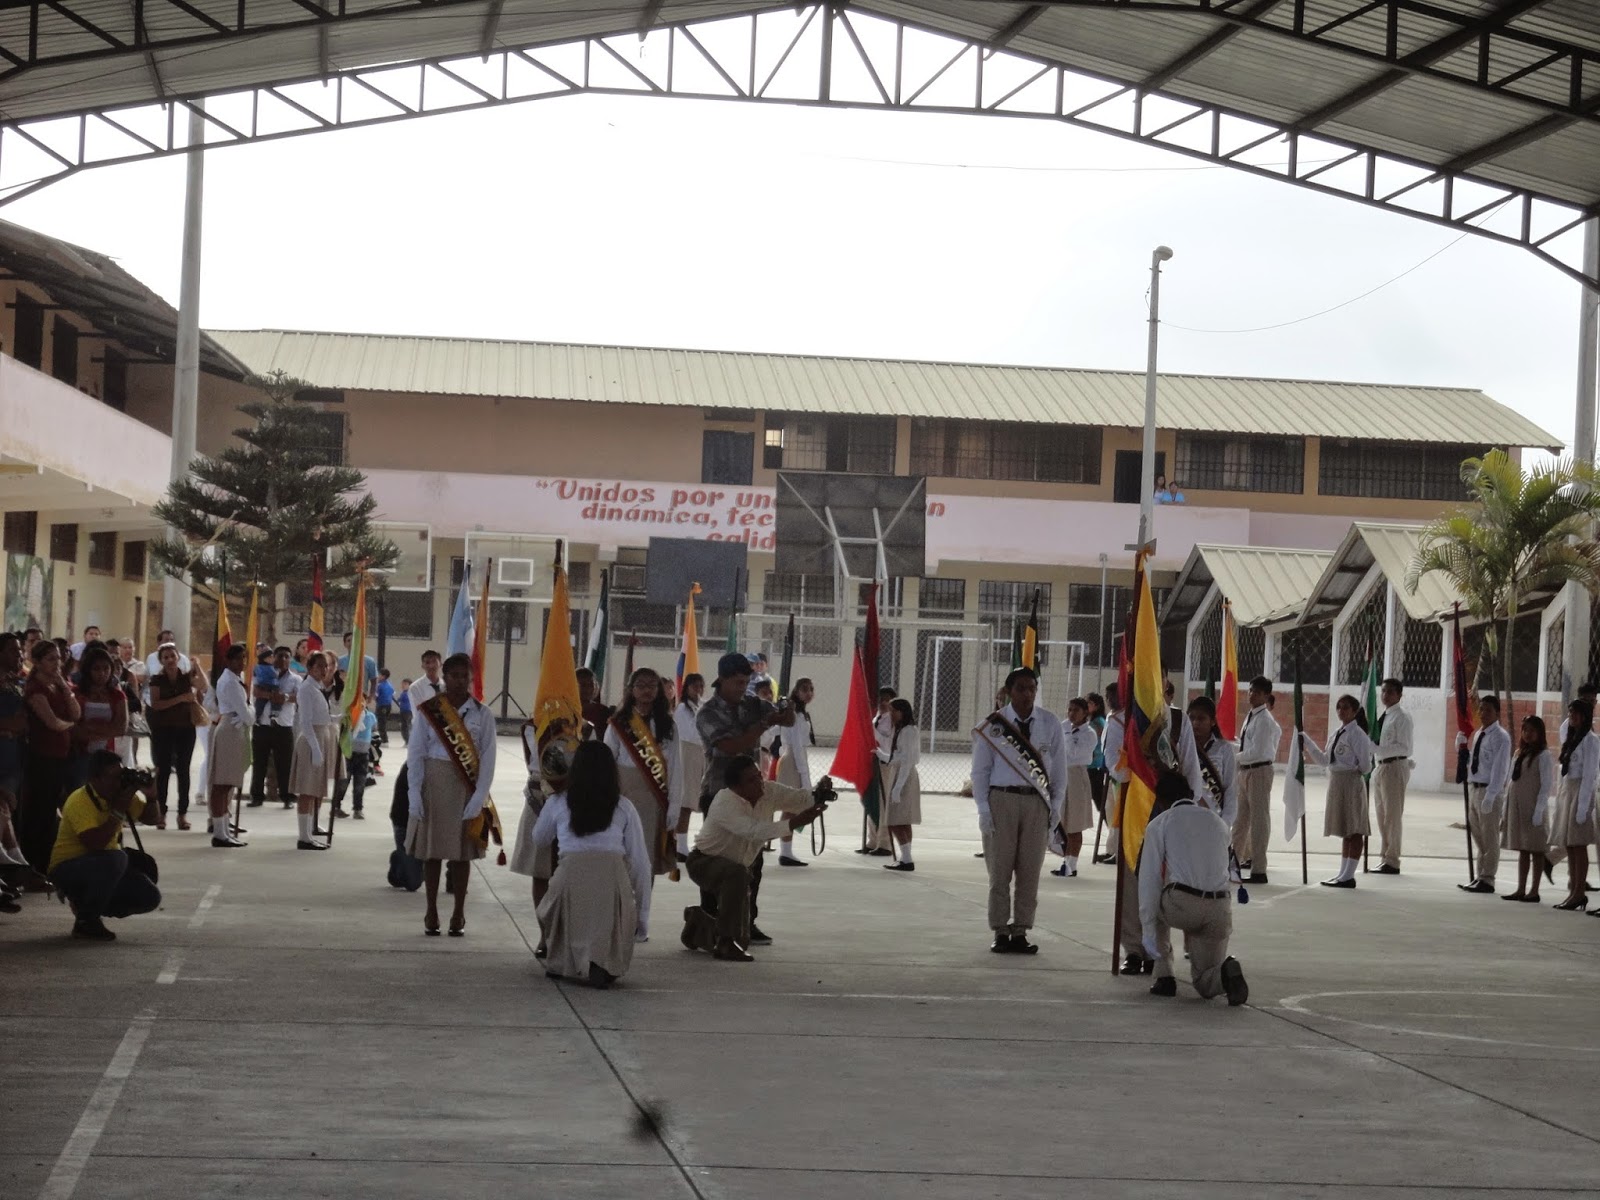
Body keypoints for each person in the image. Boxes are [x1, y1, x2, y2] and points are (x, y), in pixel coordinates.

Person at [681, 755, 825, 961]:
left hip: (738, 867)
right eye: (751, 780)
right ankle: (724, 942)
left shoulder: (769, 791)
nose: (759, 782)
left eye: (758, 776)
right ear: (736, 787)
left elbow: (799, 798)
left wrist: (820, 793)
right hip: (704, 862)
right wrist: (792, 824)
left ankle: (699, 922)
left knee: (743, 939)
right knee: (737, 874)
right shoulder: (724, 802)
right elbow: (753, 831)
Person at [533, 741, 653, 987]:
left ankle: (562, 959)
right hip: (611, 880)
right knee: (610, 913)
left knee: (555, 905)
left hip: (569, 878)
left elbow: (539, 839)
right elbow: (641, 864)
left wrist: (544, 803)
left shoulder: (558, 803)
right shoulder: (624, 807)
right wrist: (641, 916)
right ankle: (602, 961)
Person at [695, 652, 795, 946]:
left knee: (752, 861)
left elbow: (787, 719)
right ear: (722, 680)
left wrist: (785, 708)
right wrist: (764, 724)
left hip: (751, 795)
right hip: (719, 794)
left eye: (746, 682)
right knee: (717, 861)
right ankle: (711, 922)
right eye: (738, 682)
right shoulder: (708, 712)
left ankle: (746, 923)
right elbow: (731, 746)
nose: (743, 688)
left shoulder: (753, 704)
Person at [970, 667, 1067, 954]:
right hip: (1002, 800)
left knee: (1029, 871)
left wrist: (1056, 807)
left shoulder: (1050, 723)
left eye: (1032, 688)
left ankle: (1021, 929)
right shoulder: (994, 727)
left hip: (1037, 803)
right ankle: (1000, 929)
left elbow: (1059, 772)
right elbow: (980, 772)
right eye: (1022, 688)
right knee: (999, 871)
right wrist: (983, 810)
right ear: (1009, 691)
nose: (1028, 694)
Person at [405, 652, 496, 936]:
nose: (459, 681)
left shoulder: (483, 713)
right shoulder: (430, 710)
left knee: (460, 854)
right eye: (454, 675)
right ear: (445, 677)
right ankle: (431, 909)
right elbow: (416, 752)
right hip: (433, 782)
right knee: (432, 852)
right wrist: (414, 792)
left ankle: (458, 912)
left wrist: (480, 795)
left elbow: (489, 756)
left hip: (465, 786)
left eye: (464, 676)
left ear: (471, 678)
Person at [1138, 784, 1248, 1005]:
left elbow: (1149, 879)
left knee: (1154, 904)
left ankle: (1164, 977)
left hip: (1183, 905)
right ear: (1192, 796)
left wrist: (1147, 929)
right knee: (1204, 983)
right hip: (1219, 908)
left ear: (1160, 802)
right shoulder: (1217, 821)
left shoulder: (1161, 822)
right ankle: (1224, 974)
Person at [47, 751, 161, 940]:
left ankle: (86, 907)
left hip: (103, 865)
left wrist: (151, 797)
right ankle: (86, 920)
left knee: (149, 897)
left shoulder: (120, 794)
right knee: (117, 858)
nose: (119, 783)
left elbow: (152, 819)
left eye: (121, 776)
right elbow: (96, 843)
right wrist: (119, 809)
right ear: (95, 779)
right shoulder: (79, 801)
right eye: (114, 778)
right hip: (67, 868)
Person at [602, 666, 684, 888]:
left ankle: (641, 916)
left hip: (654, 799)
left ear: (659, 690)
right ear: (631, 690)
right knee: (621, 856)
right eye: (641, 685)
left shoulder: (669, 726)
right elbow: (606, 762)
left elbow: (676, 768)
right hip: (623, 796)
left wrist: (674, 807)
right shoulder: (619, 724)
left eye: (652, 685)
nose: (646, 690)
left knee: (645, 858)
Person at [1301, 694, 1374, 889]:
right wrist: (1307, 741)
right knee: (1344, 829)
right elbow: (1325, 760)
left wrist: (1352, 772)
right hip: (1336, 782)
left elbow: (1366, 766)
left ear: (1354, 711)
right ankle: (1343, 873)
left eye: (1346, 707)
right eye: (1339, 707)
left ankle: (1349, 875)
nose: (1341, 711)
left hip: (1350, 782)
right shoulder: (1337, 733)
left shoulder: (1358, 735)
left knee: (1355, 829)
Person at [20, 638, 81, 869]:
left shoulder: (59, 683)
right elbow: (53, 722)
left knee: (52, 808)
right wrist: (71, 727)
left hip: (60, 754)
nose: (57, 663)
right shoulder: (35, 687)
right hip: (42, 754)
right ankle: (36, 862)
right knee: (41, 810)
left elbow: (75, 713)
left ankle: (48, 860)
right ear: (37, 662)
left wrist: (64, 686)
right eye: (51, 659)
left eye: (59, 658)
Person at [1458, 694, 1513, 896]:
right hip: (1475, 787)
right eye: (1481, 709)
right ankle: (1480, 874)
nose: (1483, 713)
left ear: (1497, 713)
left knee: (1489, 837)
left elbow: (1500, 769)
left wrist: (1492, 794)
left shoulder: (1501, 737)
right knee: (1478, 835)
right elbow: (1474, 762)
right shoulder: (1479, 733)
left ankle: (1488, 878)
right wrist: (1461, 748)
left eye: (1488, 709)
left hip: (1489, 790)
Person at [1549, 698, 1598, 911]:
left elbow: (1589, 775)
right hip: (1568, 789)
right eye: (1571, 713)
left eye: (1577, 713)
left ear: (1586, 716)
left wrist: (1583, 807)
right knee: (1569, 843)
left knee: (1579, 844)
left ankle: (1579, 892)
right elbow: (1563, 727)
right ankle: (1573, 892)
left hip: (1580, 791)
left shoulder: (1590, 740)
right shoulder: (1571, 737)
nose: (1573, 717)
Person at [145, 644, 201, 830]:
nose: (170, 660)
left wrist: (197, 666)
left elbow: (203, 686)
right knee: (163, 771)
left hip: (186, 729)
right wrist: (181, 698)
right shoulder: (157, 679)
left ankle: (182, 814)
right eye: (166, 657)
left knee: (184, 770)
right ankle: (161, 813)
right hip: (164, 729)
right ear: (161, 660)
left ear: (178, 658)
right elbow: (156, 704)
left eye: (172, 656)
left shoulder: (186, 677)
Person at [289, 651, 339, 850]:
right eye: (319, 666)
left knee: (313, 790)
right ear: (310, 668)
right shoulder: (307, 689)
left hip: (320, 735)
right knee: (307, 791)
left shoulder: (316, 688)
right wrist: (315, 749)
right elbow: (306, 722)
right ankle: (303, 836)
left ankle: (309, 833)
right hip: (311, 740)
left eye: (325, 666)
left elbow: (322, 717)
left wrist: (341, 718)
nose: (323, 670)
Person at [1502, 715, 1555, 904]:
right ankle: (1521, 888)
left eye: (1532, 730)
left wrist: (1539, 810)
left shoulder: (1544, 756)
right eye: (1525, 730)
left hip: (1533, 808)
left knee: (1536, 850)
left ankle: (1534, 890)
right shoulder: (1519, 753)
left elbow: (1546, 784)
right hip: (1518, 807)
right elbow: (1511, 780)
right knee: (1523, 849)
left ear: (1540, 733)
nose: (1528, 734)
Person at [1232, 676, 1280, 885]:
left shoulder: (1265, 720)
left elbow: (1257, 751)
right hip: (1245, 771)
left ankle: (1259, 868)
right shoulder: (1251, 716)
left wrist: (1235, 756)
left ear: (1266, 696)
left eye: (1257, 693)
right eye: (1251, 691)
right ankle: (1232, 864)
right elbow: (1246, 746)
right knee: (1240, 821)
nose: (1252, 695)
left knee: (1259, 821)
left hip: (1259, 770)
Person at [206, 643, 250, 849]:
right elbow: (248, 715)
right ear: (229, 660)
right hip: (230, 728)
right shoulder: (231, 682)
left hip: (234, 728)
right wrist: (250, 713)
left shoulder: (235, 680)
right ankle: (219, 832)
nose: (242, 662)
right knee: (222, 784)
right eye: (238, 658)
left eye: (244, 658)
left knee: (227, 784)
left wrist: (248, 713)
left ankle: (223, 831)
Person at [1371, 678, 1414, 876]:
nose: (1385, 695)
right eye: (1383, 691)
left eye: (1389, 692)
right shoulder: (1385, 716)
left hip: (1395, 766)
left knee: (1392, 816)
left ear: (1398, 695)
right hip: (1381, 766)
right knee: (1381, 815)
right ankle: (1385, 856)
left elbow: (1405, 747)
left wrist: (1378, 749)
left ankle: (1393, 859)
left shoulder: (1402, 717)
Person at [1050, 697, 1096, 879]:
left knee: (1075, 824)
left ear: (1085, 713)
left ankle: (1071, 865)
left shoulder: (1089, 733)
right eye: (1069, 710)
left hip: (1077, 776)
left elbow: (1074, 753)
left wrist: (1066, 738)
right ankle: (1064, 861)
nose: (1071, 714)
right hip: (1062, 775)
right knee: (1062, 821)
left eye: (1076, 710)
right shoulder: (1063, 726)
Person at [249, 646, 299, 810]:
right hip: (262, 724)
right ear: (273, 658)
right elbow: (256, 691)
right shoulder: (263, 672)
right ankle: (256, 796)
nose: (283, 660)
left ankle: (287, 796)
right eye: (280, 656)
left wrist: (284, 697)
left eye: (287, 657)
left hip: (283, 726)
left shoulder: (295, 679)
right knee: (259, 763)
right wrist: (271, 696)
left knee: (285, 764)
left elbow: (298, 698)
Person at [71, 645, 128, 787]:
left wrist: (91, 729)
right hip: (79, 755)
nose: (102, 673)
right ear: (88, 670)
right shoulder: (76, 693)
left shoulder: (117, 695)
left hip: (107, 755)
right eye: (96, 669)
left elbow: (121, 728)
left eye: (106, 669)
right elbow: (74, 729)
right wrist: (106, 729)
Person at [774, 678, 816, 866]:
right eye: (804, 689)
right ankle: (786, 851)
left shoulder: (801, 714)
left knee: (792, 808)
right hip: (794, 760)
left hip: (793, 757)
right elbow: (797, 746)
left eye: (811, 689)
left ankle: (787, 850)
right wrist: (805, 778)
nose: (808, 693)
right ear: (796, 692)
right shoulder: (796, 715)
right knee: (790, 808)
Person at [879, 697, 922, 872]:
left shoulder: (909, 731)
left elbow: (908, 760)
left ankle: (907, 859)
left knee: (896, 819)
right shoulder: (901, 730)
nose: (891, 714)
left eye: (893, 710)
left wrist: (898, 787)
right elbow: (897, 756)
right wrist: (881, 755)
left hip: (904, 776)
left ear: (902, 712)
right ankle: (906, 858)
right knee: (902, 819)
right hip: (899, 772)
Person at [858, 686, 897, 856]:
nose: (883, 702)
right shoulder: (877, 718)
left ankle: (885, 843)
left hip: (885, 762)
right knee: (872, 801)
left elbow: (887, 743)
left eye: (887, 699)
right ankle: (872, 840)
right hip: (873, 763)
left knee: (883, 803)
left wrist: (871, 733)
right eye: (880, 699)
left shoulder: (892, 721)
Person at [1188, 695, 1238, 829]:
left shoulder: (1224, 749)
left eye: (1201, 718)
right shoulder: (1183, 748)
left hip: (1216, 819)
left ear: (1212, 721)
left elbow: (1231, 789)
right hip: (1187, 819)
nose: (1195, 723)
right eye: (1191, 718)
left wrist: (1226, 823)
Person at [672, 673, 705, 861]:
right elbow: (691, 734)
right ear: (687, 688)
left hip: (699, 753)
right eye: (695, 686)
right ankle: (680, 846)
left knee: (693, 800)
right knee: (686, 801)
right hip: (687, 752)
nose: (699, 690)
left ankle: (683, 843)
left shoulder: (699, 706)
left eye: (701, 686)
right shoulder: (683, 709)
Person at [331, 703, 377, 819]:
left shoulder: (370, 716)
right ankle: (336, 807)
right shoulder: (349, 716)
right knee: (343, 782)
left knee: (360, 784)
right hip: (348, 754)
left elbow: (375, 734)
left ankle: (358, 809)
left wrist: (375, 756)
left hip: (363, 755)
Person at [1097, 681, 1125, 865]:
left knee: (1119, 815)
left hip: (1121, 771)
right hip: (1109, 771)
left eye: (1113, 696)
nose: (1109, 700)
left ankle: (1119, 851)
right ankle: (1111, 849)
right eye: (1107, 697)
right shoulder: (1110, 716)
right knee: (1110, 812)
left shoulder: (1126, 717)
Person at [337, 630, 378, 701]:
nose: (351, 643)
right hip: (344, 698)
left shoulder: (369, 661)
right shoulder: (339, 661)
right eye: (348, 640)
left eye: (354, 640)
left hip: (361, 698)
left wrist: (371, 695)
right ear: (345, 644)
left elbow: (374, 680)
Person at [407, 650, 443, 715]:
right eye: (427, 662)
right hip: (423, 724)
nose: (431, 666)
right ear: (422, 666)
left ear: (440, 664)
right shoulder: (415, 687)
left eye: (434, 661)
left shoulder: (446, 686)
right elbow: (419, 710)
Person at [577, 667, 612, 733]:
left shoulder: (603, 711)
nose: (588, 689)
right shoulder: (567, 711)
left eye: (591, 685)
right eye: (583, 685)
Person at [374, 668, 395, 743]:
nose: (378, 676)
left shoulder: (379, 685)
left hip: (382, 705)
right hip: (388, 706)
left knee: (381, 724)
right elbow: (392, 693)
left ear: (383, 676)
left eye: (379, 674)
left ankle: (384, 740)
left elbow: (376, 696)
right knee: (384, 722)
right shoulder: (389, 685)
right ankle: (384, 739)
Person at [397, 678, 414, 744]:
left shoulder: (409, 693)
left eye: (405, 684)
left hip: (408, 711)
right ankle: (407, 740)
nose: (403, 685)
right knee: (404, 726)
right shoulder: (404, 693)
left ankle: (408, 740)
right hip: (403, 711)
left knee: (406, 726)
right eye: (402, 684)